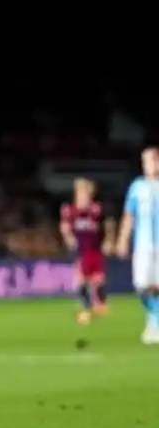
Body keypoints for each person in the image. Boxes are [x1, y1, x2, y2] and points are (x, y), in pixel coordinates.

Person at [115, 147, 159, 343]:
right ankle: (152, 317)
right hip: (142, 246)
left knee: (157, 285)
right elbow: (129, 215)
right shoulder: (137, 187)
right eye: (144, 162)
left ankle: (154, 323)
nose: (146, 166)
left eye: (150, 161)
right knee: (141, 286)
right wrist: (123, 239)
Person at [59, 178, 115, 324]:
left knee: (99, 279)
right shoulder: (70, 210)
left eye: (86, 193)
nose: (84, 196)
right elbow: (64, 227)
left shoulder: (96, 210)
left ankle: (101, 304)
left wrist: (109, 240)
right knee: (81, 280)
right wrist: (69, 238)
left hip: (95, 250)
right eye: (81, 193)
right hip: (81, 251)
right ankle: (85, 307)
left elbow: (109, 224)